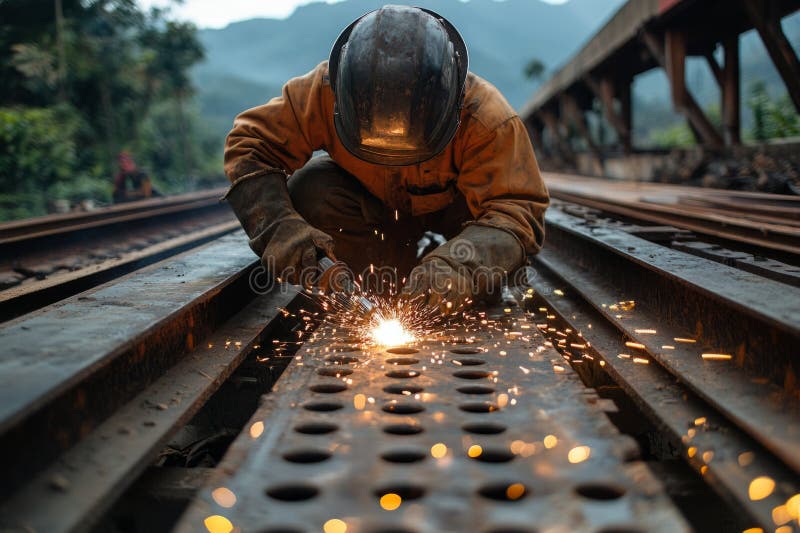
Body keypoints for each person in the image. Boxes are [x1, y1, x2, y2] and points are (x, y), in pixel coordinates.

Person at [224, 6, 549, 312]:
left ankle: (442, 274)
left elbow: (516, 212)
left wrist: (459, 267)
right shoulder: (321, 92)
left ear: (451, 108)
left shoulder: (487, 119)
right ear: (343, 100)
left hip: (454, 217)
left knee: (485, 280)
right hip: (376, 214)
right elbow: (250, 146)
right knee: (310, 188)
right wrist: (281, 229)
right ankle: (380, 283)